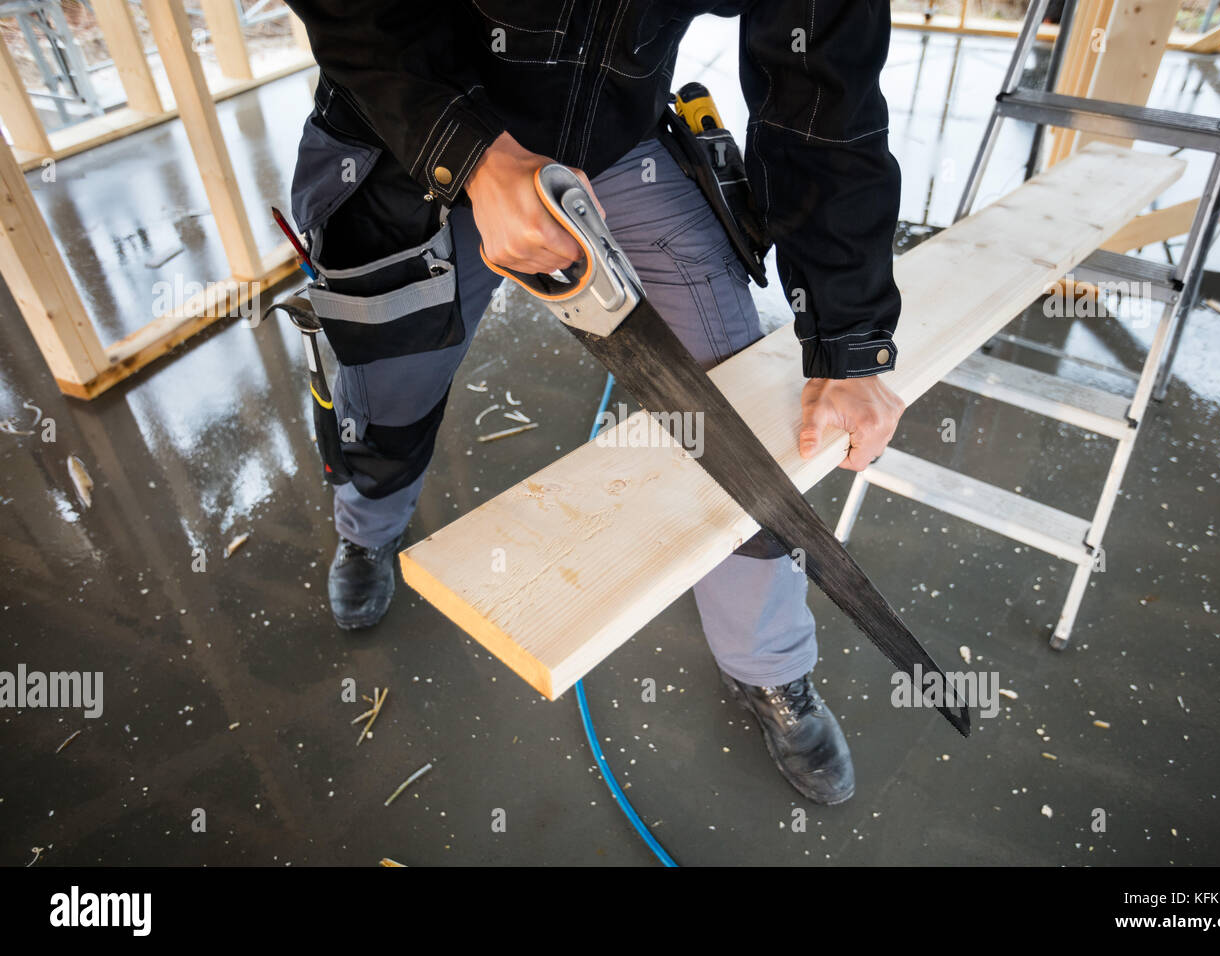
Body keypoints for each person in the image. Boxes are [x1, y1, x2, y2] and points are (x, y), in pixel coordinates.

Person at [285, 0, 906, 806]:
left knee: (736, 418)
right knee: (386, 392)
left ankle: (771, 669)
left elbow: (825, 92)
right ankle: (368, 534)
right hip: (410, 128)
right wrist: (467, 154)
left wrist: (850, 339)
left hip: (615, 150)